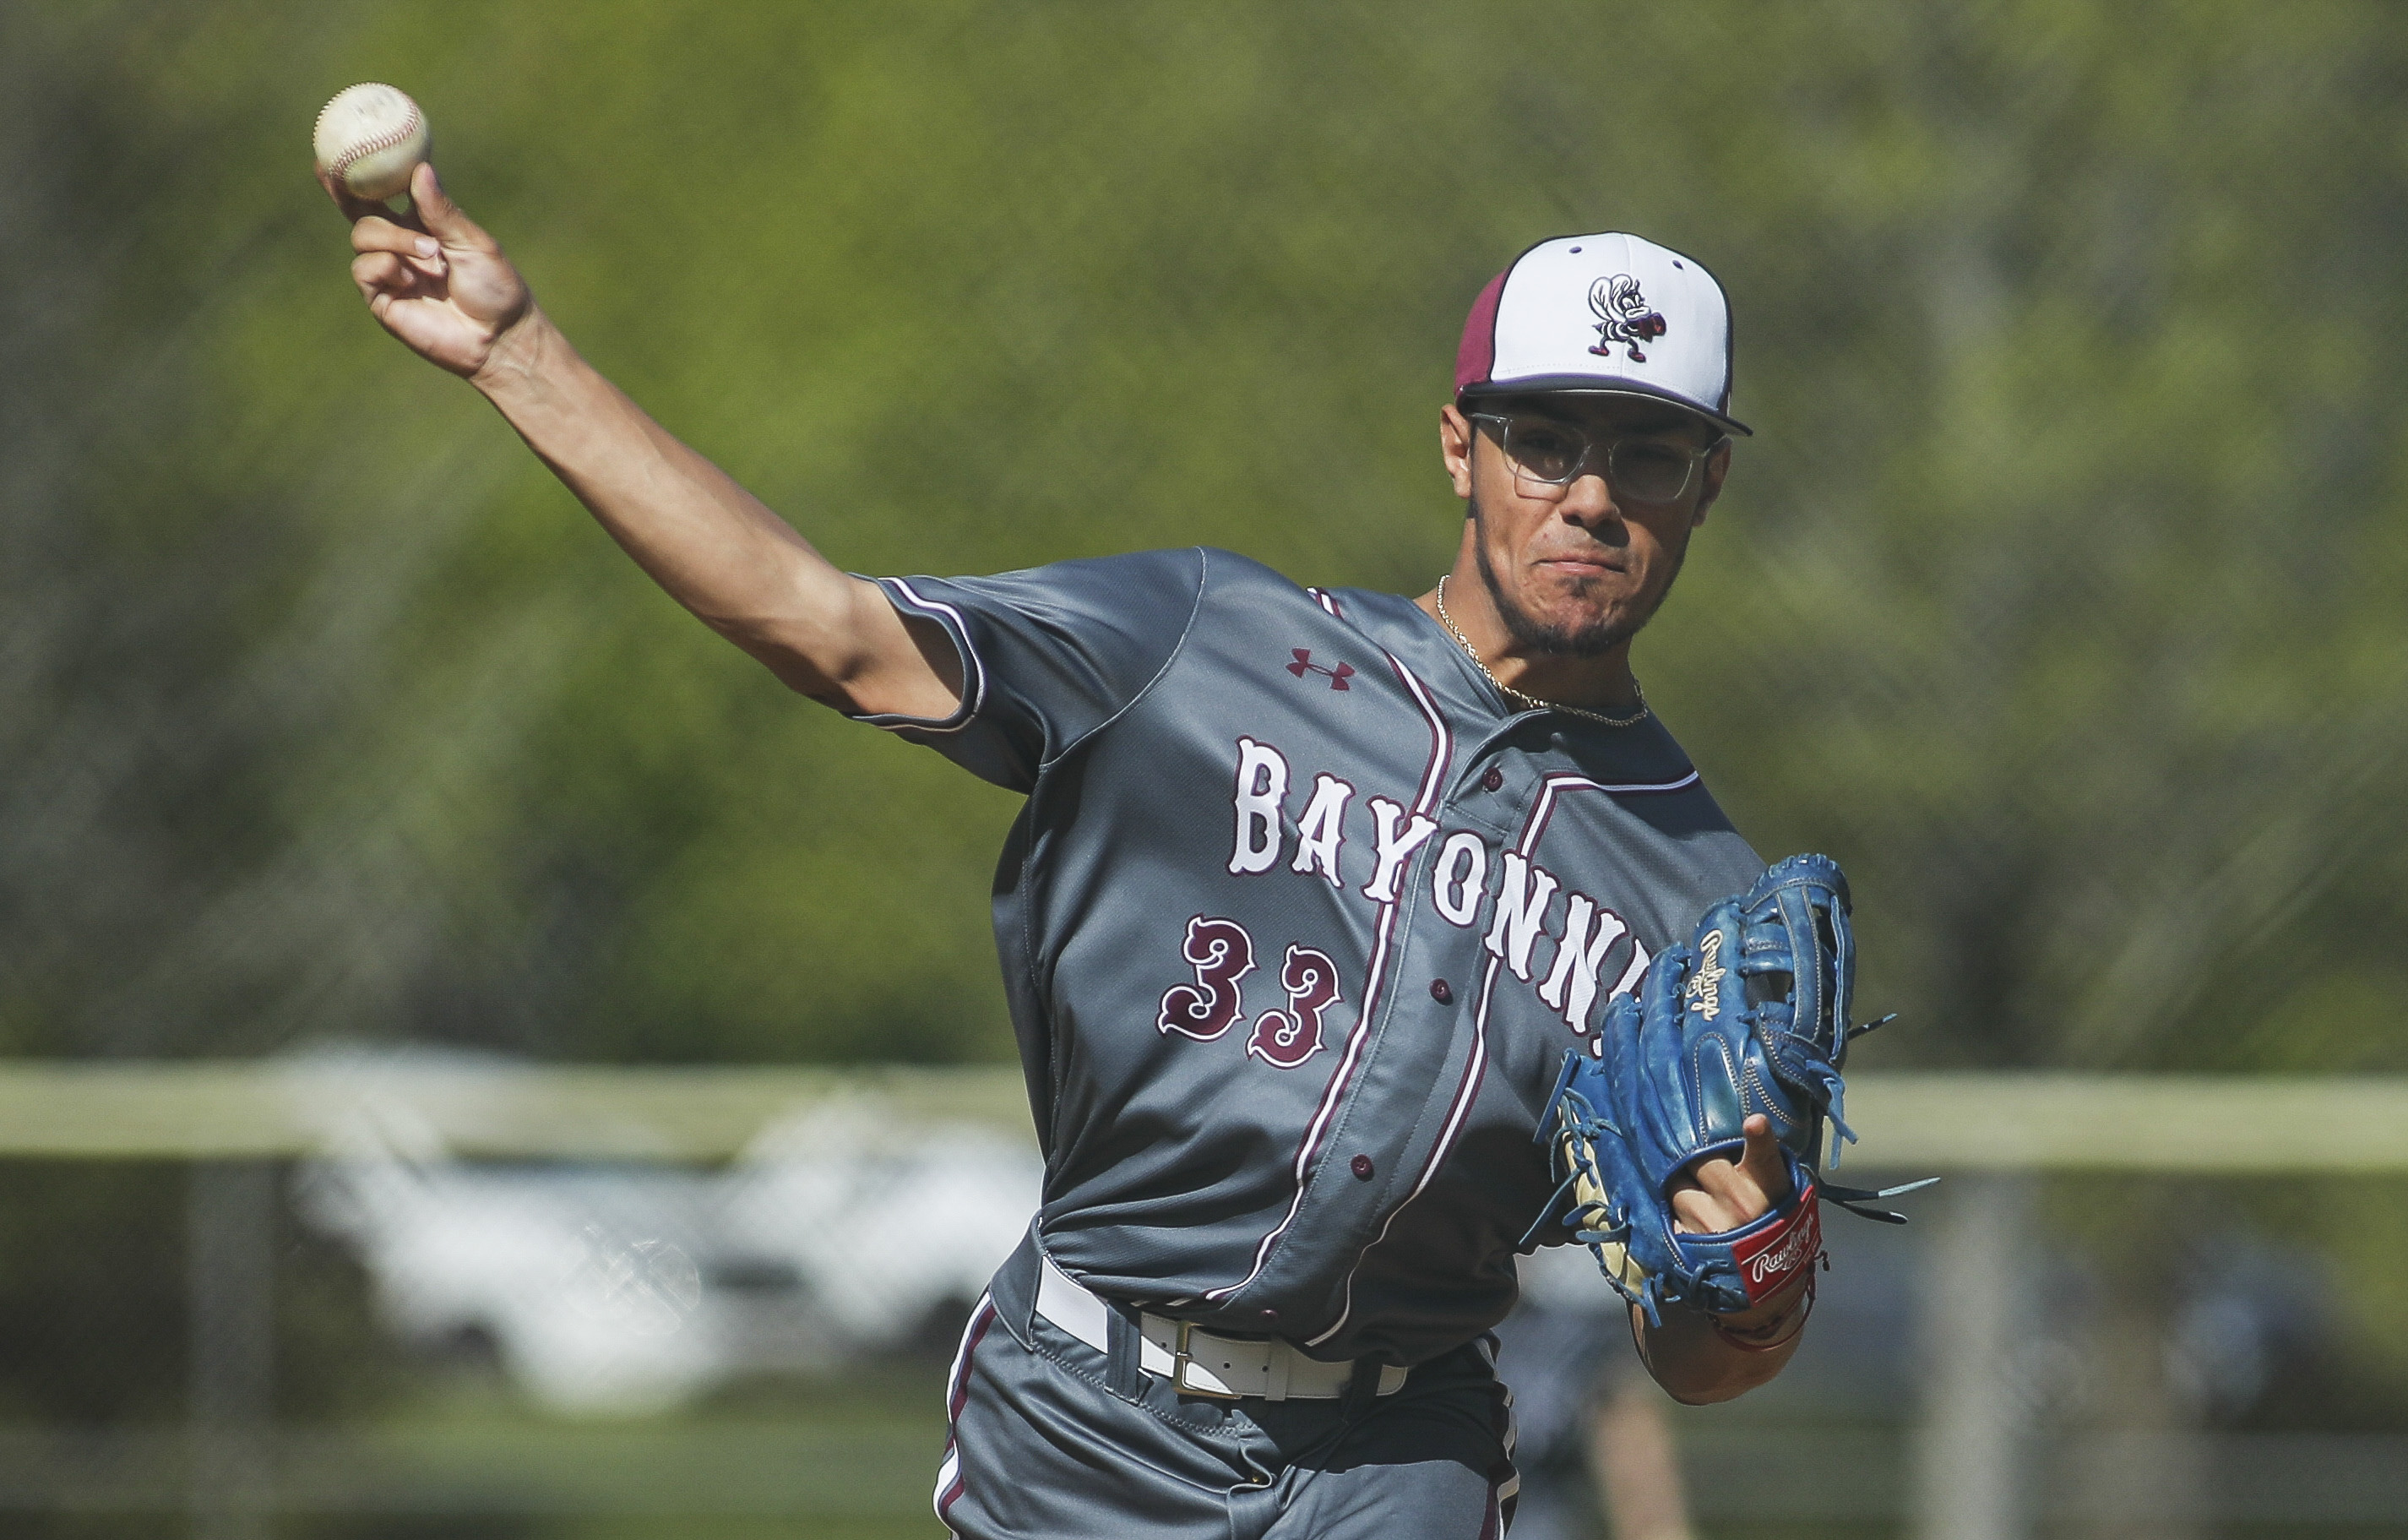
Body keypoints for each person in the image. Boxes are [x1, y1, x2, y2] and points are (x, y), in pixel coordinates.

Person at [330, 161, 1814, 1537]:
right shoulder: (1209, 646)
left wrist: (1756, 1291)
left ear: (1709, 482)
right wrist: (521, 357)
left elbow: (1698, 1363)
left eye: (1651, 451)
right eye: (1543, 438)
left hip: (1399, 1461)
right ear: (1460, 446)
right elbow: (831, 630)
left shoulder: (1706, 899)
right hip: (1092, 1420)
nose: (1593, 493)